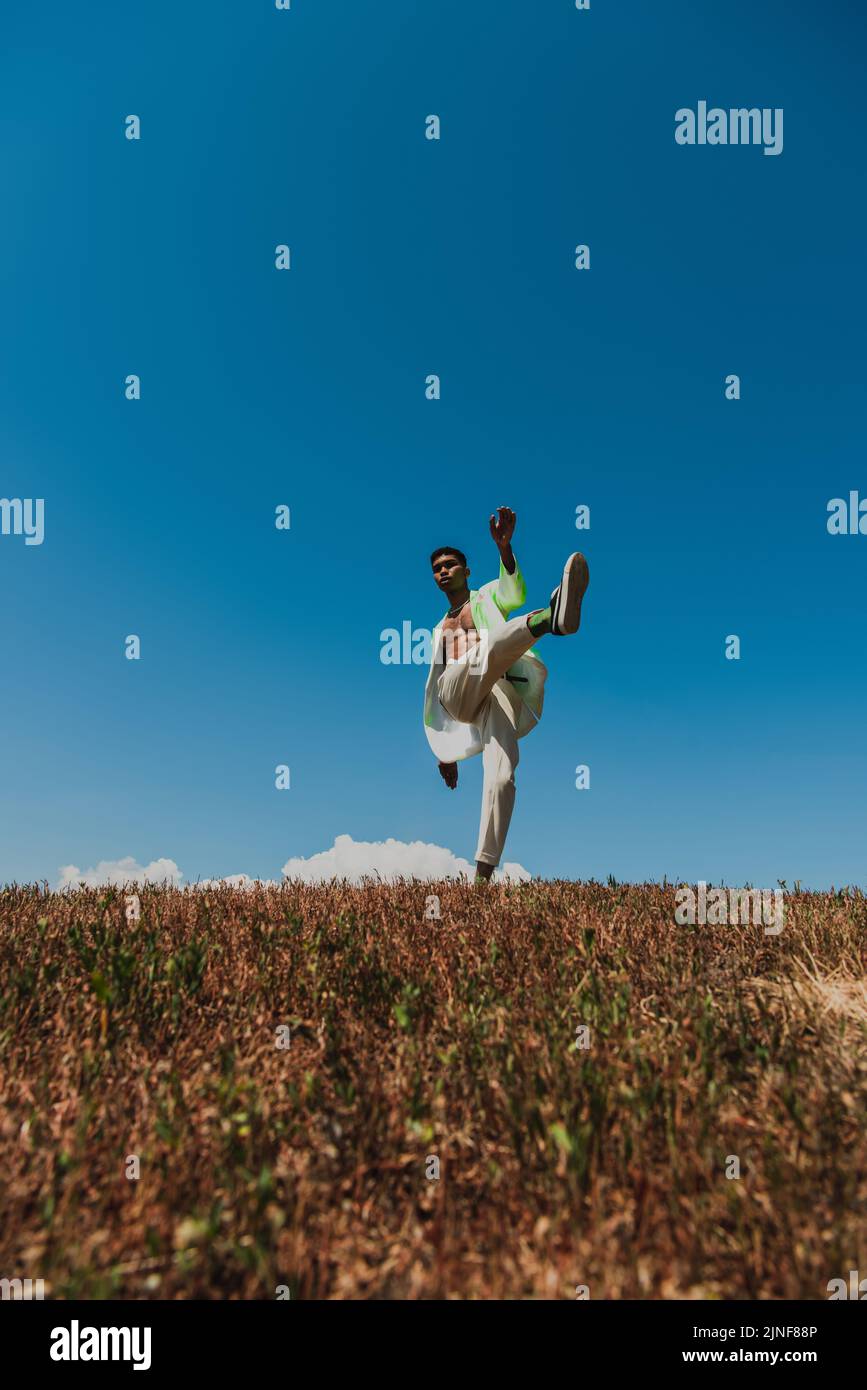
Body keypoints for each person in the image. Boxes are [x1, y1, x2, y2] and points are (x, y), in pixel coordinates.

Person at [422, 505, 589, 882]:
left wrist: (504, 549)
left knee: (502, 777)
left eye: (450, 564)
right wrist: (443, 750)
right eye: (437, 568)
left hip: (498, 690)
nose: (443, 570)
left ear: (466, 571)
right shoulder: (438, 630)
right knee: (488, 646)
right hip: (457, 696)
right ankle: (548, 620)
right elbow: (436, 688)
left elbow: (513, 590)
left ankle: (482, 876)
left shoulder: (485, 598)